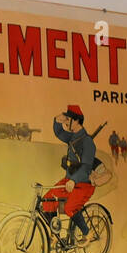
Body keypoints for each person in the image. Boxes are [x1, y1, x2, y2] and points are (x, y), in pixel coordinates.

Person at [44, 104, 96, 244]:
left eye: (69, 119)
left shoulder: (87, 141)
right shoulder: (73, 137)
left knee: (68, 208)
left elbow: (86, 168)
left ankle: (87, 233)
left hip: (83, 184)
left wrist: (73, 180)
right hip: (69, 180)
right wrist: (57, 119)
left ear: (77, 120)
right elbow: (59, 133)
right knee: (47, 200)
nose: (66, 122)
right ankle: (54, 235)